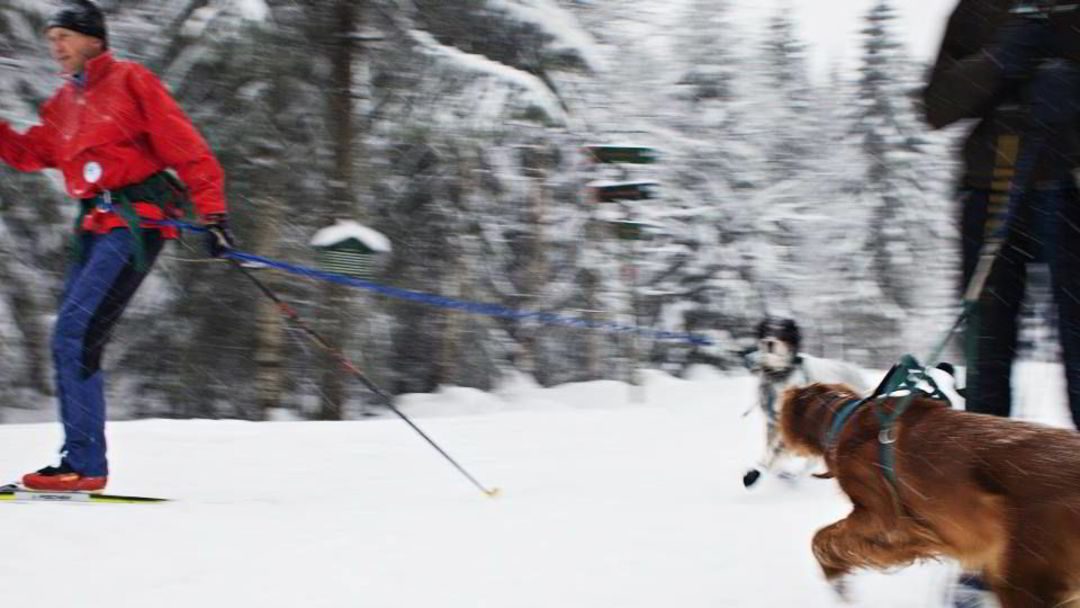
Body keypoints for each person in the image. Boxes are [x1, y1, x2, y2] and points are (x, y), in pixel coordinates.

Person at [0, 0, 235, 491]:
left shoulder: (131, 81)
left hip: (135, 223)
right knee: (71, 337)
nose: (55, 46)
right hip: (94, 228)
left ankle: (84, 466)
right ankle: (79, 459)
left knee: (75, 333)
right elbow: (31, 152)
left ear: (94, 39)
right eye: (50, 39)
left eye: (64, 36)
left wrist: (213, 214)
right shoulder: (64, 103)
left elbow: (186, 147)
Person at [923, 1, 1080, 605]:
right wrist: (998, 62)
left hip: (1070, 192)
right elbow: (936, 107)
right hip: (990, 199)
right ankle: (983, 550)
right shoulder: (980, 9)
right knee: (986, 380)